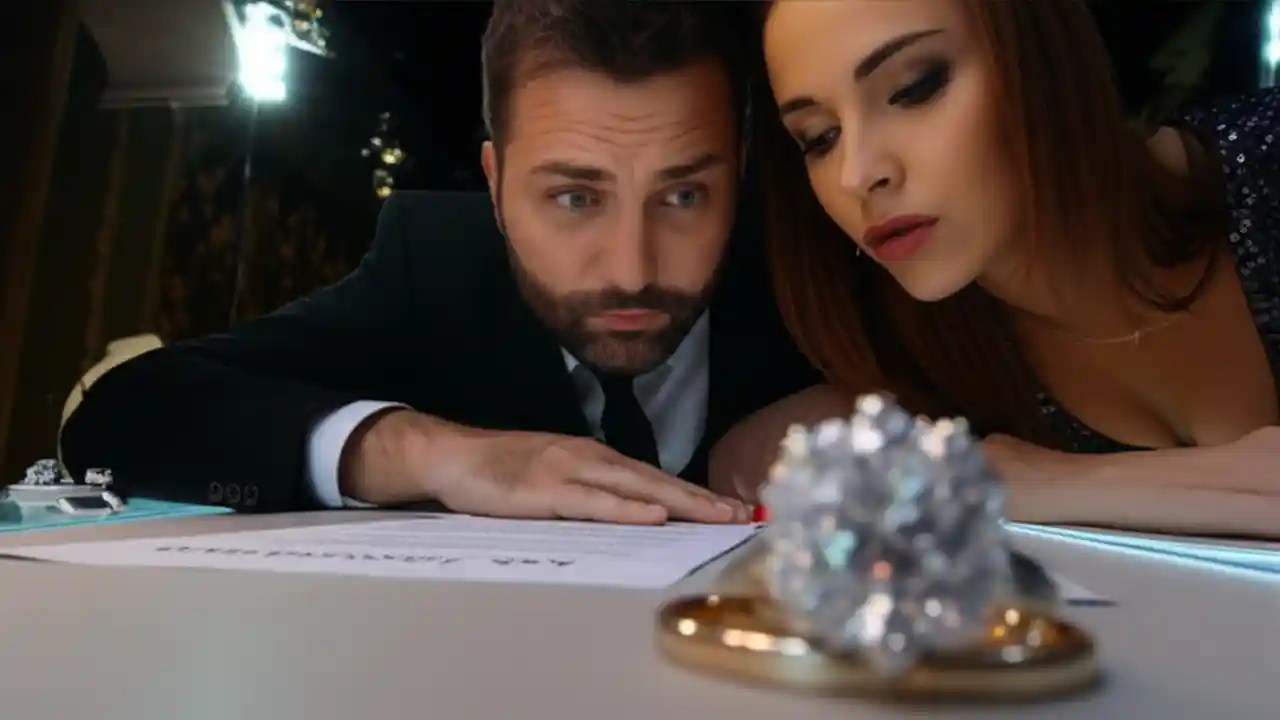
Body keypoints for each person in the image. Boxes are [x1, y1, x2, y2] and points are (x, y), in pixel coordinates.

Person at [59, 0, 817, 524]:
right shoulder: (439, 264)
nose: (630, 266)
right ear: (494, 187)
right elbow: (122, 415)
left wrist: (885, 408)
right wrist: (425, 453)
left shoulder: (809, 257)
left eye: (684, 196)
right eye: (575, 199)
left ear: (741, 177)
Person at [712, 0, 1280, 537]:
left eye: (916, 88)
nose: (856, 175)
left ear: (1038, 53)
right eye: (819, 138)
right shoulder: (916, 349)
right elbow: (743, 467)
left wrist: (1053, 481)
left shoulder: (1262, 167)